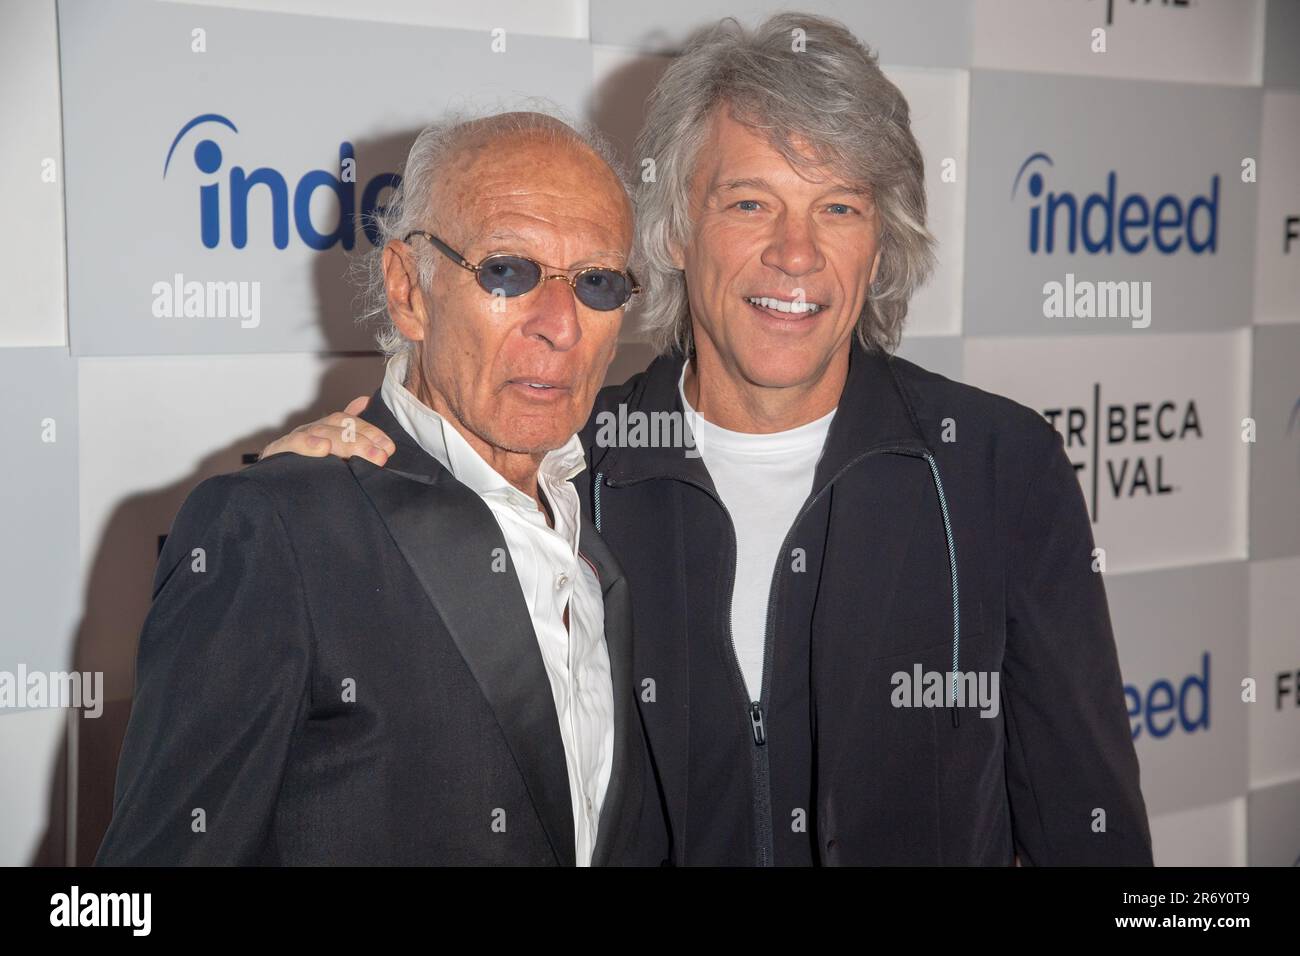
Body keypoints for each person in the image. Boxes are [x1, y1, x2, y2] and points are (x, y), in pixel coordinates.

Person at [261, 14, 1153, 865]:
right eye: (750, 203)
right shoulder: (566, 463)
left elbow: (1092, 827)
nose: (795, 254)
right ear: (677, 231)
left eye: (839, 209)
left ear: (880, 246)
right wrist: (313, 493)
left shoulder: (998, 466)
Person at [96, 112, 668, 866]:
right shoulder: (275, 531)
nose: (560, 325)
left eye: (596, 283)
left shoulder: (607, 530)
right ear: (408, 290)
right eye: (508, 271)